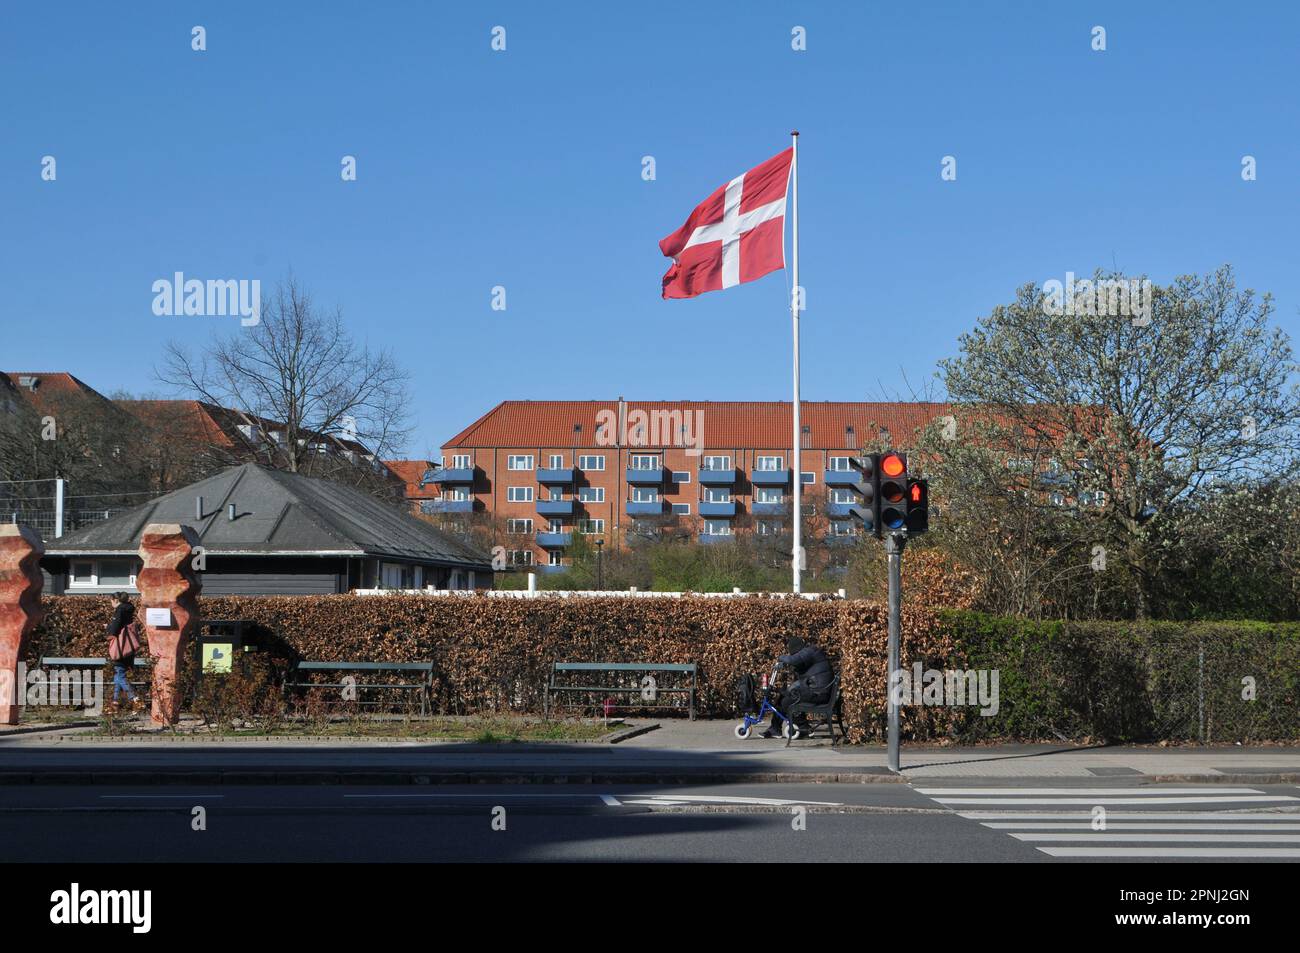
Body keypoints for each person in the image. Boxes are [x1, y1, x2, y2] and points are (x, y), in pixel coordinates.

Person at [763, 635, 833, 738]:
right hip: (818, 690)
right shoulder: (811, 652)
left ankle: (804, 728)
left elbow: (793, 660)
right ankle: (775, 728)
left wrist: (780, 657)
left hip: (819, 692)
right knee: (783, 697)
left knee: (787, 701)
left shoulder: (809, 651)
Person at [105, 592, 139, 711]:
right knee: (118, 675)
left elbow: (115, 627)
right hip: (128, 648)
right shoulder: (129, 610)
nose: (111, 603)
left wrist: (108, 628)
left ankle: (134, 698)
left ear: (116, 600)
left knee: (120, 675)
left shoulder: (119, 610)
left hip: (120, 648)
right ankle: (115, 703)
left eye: (111, 600)